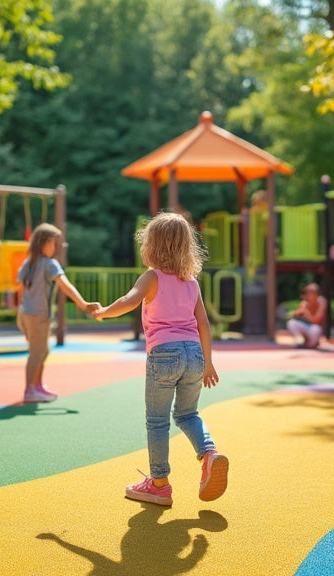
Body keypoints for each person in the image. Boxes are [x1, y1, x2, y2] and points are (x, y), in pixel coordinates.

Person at [91, 212, 227, 507]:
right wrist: (209, 362)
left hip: (164, 354)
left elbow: (128, 302)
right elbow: (203, 323)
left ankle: (159, 484)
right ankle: (209, 454)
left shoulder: (151, 277)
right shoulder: (190, 282)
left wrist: (102, 312)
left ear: (151, 246)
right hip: (194, 355)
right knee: (188, 414)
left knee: (157, 422)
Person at [16, 223, 96, 403]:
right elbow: (64, 285)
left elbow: (20, 288)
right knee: (37, 353)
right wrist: (82, 303)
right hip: (38, 316)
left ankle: (37, 386)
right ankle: (30, 390)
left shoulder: (28, 263)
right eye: (52, 243)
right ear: (43, 243)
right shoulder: (49, 264)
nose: (55, 247)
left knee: (41, 351)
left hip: (26, 314)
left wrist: (19, 313)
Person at [286, 282, 327, 348]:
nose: (310, 296)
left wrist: (306, 312)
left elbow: (316, 321)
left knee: (316, 330)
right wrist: (298, 312)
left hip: (315, 328)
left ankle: (311, 344)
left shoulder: (322, 302)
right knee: (291, 323)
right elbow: (295, 318)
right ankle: (301, 340)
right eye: (308, 293)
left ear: (316, 294)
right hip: (306, 327)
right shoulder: (304, 303)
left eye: (312, 293)